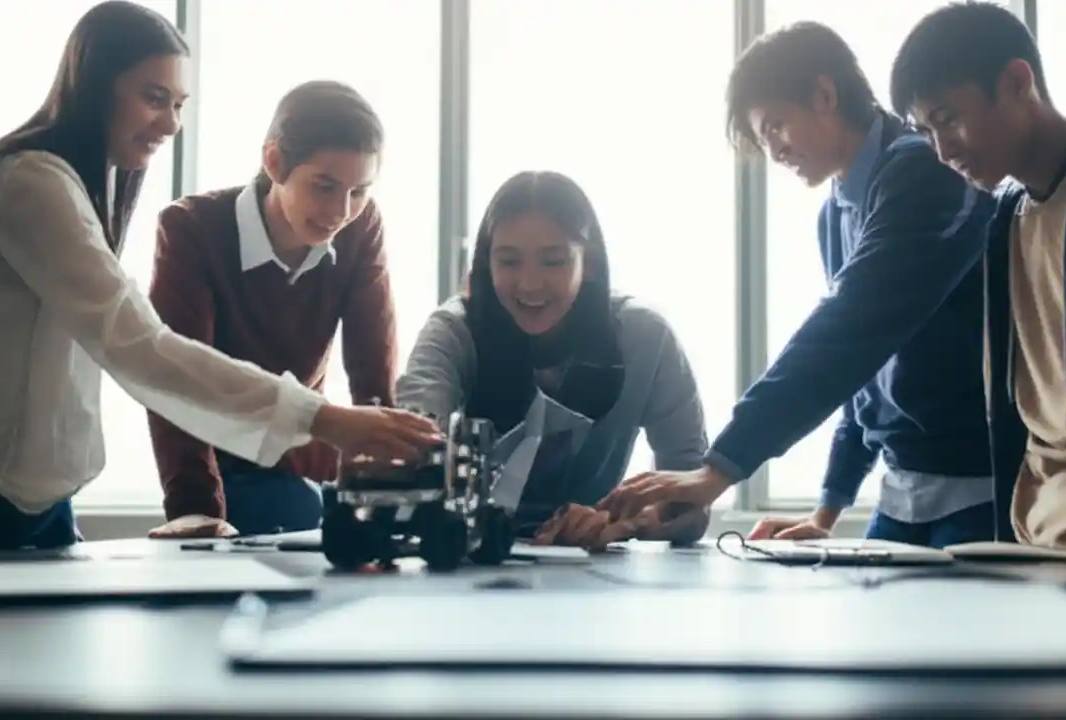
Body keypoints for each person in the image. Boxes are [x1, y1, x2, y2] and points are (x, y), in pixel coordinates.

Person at [0, 0, 439, 556]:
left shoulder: (74, 186)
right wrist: (323, 420)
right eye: (154, 98)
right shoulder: (28, 184)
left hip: (37, 506)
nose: (172, 123)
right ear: (95, 84)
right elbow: (143, 348)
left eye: (178, 104)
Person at [599, 21, 997, 549]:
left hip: (984, 495)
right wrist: (827, 512)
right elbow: (861, 376)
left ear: (825, 94)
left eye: (777, 127)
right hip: (903, 497)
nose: (776, 151)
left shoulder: (924, 171)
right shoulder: (836, 213)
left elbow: (847, 333)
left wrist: (720, 467)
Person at [887, 2, 1066, 565]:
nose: (943, 149)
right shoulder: (1005, 219)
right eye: (926, 130)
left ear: (1016, 81)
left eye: (948, 117)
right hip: (1036, 547)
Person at [396, 170, 709, 548]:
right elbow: (411, 438)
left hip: (593, 570)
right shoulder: (455, 330)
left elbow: (693, 494)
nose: (530, 284)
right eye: (509, 262)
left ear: (588, 263)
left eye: (553, 261)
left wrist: (625, 520)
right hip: (471, 556)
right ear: (484, 264)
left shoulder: (644, 337)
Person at [146, 81, 398, 539]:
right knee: (284, 507)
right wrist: (194, 508)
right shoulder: (191, 229)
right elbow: (176, 378)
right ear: (275, 162)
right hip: (217, 458)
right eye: (325, 186)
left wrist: (388, 479)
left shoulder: (362, 228)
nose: (341, 211)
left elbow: (372, 364)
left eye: (359, 191)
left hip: (303, 453)